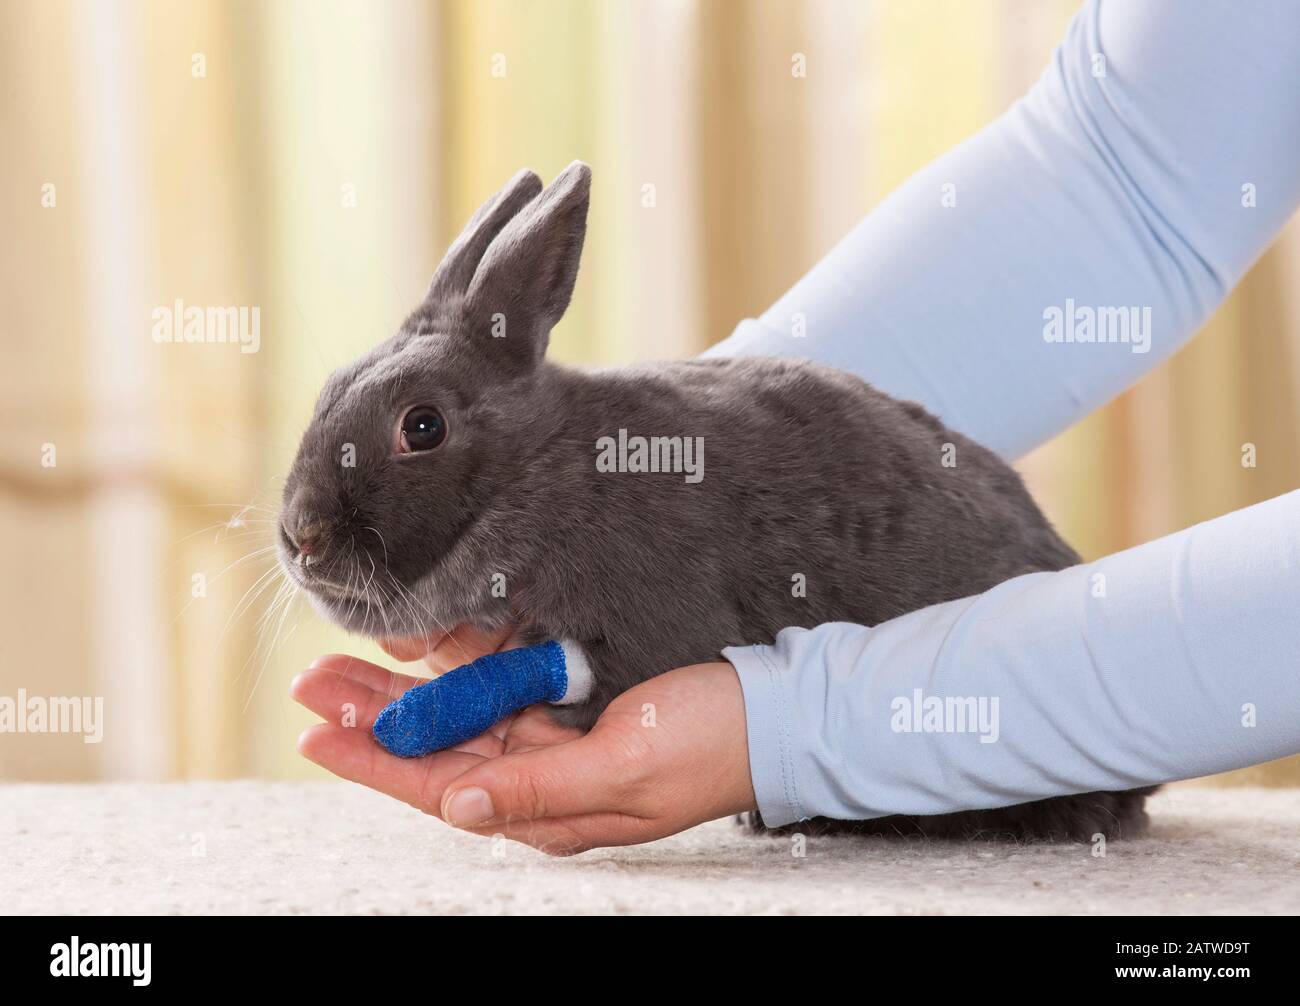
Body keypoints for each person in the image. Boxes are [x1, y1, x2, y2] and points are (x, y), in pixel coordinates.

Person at [291, 0, 1300, 854]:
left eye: (419, 429)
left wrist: (799, 726)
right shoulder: (607, 463)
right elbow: (1136, 172)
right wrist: (727, 416)